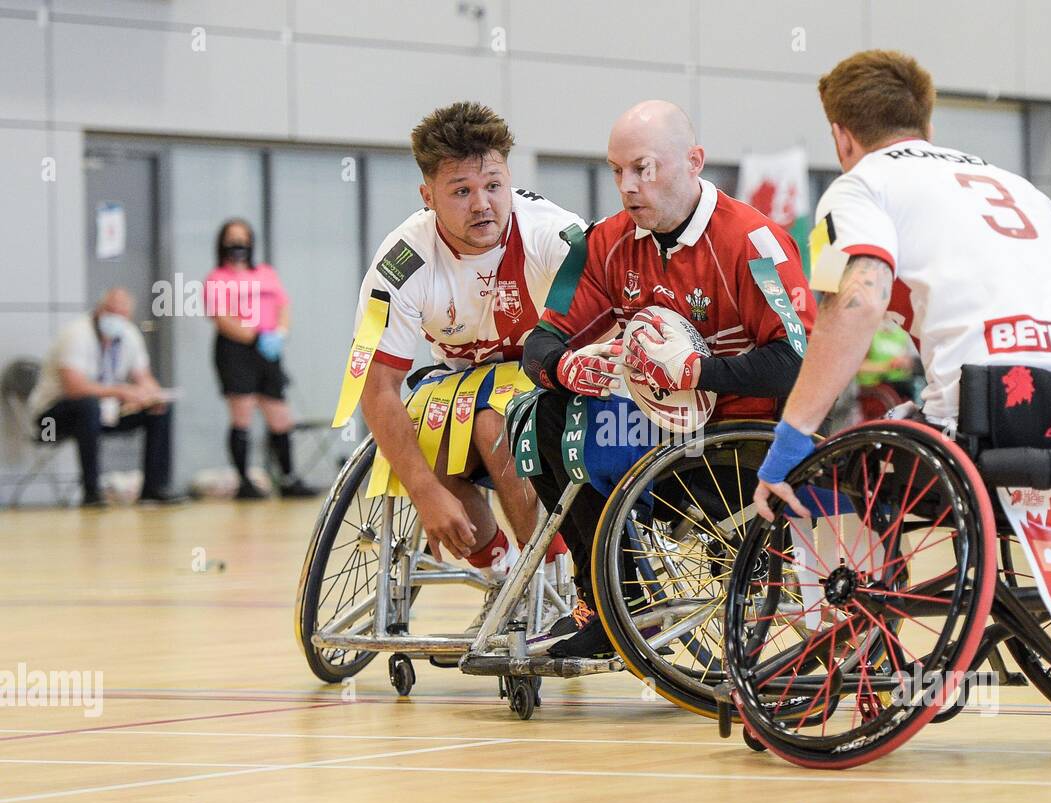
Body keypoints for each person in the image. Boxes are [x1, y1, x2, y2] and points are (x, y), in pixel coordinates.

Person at [753, 50, 1051, 520]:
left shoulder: (862, 184)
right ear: (928, 126)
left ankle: (875, 592)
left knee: (825, 474)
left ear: (841, 137)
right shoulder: (1018, 187)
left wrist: (792, 437)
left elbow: (860, 301)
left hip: (982, 421)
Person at [521, 100, 816, 659]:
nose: (627, 186)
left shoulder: (755, 244)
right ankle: (616, 604)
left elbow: (800, 361)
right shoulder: (603, 242)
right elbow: (540, 340)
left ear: (694, 162)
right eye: (616, 170)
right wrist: (565, 366)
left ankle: (631, 602)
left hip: (739, 448)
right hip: (655, 436)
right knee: (542, 416)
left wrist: (698, 370)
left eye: (643, 168)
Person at [350, 101, 584, 626]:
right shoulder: (402, 261)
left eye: (494, 185)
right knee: (425, 433)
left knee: (493, 418)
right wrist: (425, 492)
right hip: (457, 379)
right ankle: (505, 573)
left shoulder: (556, 235)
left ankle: (546, 579)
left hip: (545, 376)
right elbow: (379, 388)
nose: (482, 204)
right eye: (461, 191)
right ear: (427, 196)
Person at [28, 287, 182, 507]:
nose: (115, 317)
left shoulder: (129, 335)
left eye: (121, 313)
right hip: (50, 420)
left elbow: (143, 377)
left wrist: (150, 395)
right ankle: (92, 492)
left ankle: (154, 488)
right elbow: (75, 388)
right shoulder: (76, 334)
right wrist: (121, 391)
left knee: (158, 409)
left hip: (104, 413)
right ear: (99, 309)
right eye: (110, 310)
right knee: (88, 406)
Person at [204, 218, 317, 499]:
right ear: (223, 243)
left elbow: (283, 305)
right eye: (232, 239)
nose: (238, 245)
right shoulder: (217, 278)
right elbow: (221, 317)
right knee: (242, 413)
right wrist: (253, 337)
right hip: (236, 350)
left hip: (269, 349)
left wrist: (279, 333)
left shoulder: (266, 273)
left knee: (280, 415)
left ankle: (288, 478)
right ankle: (244, 480)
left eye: (243, 239)